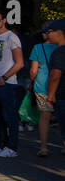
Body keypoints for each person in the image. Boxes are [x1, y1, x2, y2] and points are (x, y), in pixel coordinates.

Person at [0, 9, 26, 157]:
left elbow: (19, 62)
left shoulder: (11, 37)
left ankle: (12, 147)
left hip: (7, 82)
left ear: (4, 20)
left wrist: (5, 77)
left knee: (10, 116)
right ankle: (2, 143)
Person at [28, 21, 62, 156]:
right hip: (60, 85)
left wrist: (31, 82)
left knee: (44, 117)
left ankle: (44, 147)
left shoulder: (37, 48)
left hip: (42, 85)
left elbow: (33, 71)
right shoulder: (60, 47)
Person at [40, 20, 65, 153]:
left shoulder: (59, 52)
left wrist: (50, 95)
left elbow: (56, 74)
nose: (47, 35)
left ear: (59, 32)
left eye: (49, 32)